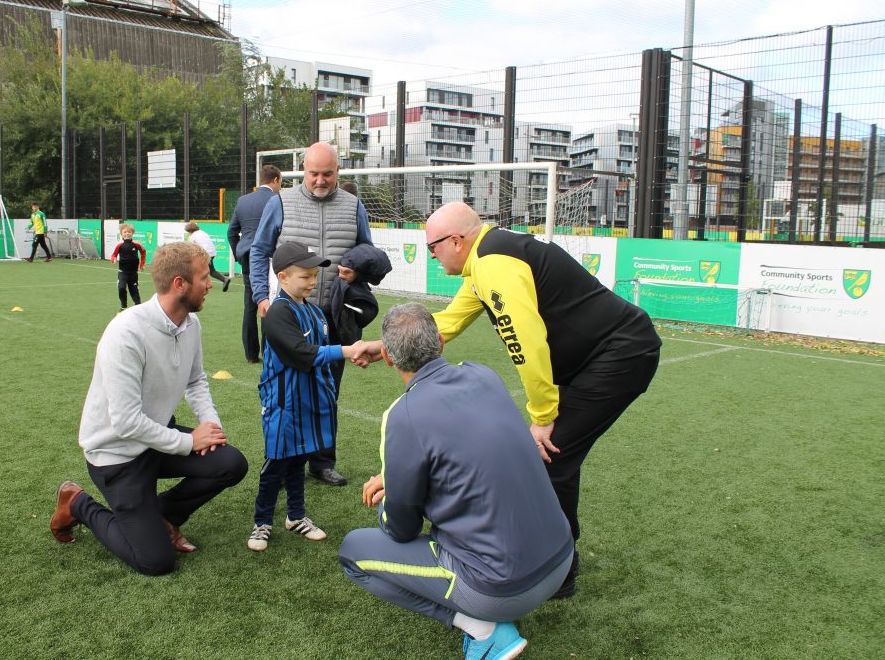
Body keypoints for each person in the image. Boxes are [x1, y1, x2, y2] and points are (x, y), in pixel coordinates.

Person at [355, 202, 662, 599]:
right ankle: (547, 554)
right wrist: (384, 346)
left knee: (553, 456)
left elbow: (527, 343)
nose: (431, 255)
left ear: (455, 241)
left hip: (620, 355)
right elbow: (448, 322)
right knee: (550, 459)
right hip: (597, 358)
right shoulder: (484, 260)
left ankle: (561, 571)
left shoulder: (494, 265)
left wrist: (542, 415)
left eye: (433, 247)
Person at [339, 303, 573, 660]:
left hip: (502, 589)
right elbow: (467, 450)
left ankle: (484, 629)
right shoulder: (484, 374)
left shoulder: (402, 416)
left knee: (353, 551)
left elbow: (400, 529)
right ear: (442, 343)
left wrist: (396, 491)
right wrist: (399, 477)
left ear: (386, 356)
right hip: (562, 559)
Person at [49, 242, 248, 576]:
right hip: (117, 456)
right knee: (155, 562)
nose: (210, 283)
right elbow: (125, 422)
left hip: (155, 441)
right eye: (203, 277)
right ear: (179, 284)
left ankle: (162, 517)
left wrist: (210, 426)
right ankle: (77, 503)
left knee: (231, 463)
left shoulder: (190, 324)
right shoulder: (126, 333)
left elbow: (196, 381)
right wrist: (188, 443)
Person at [249, 142, 375, 487]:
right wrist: (261, 295)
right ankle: (280, 457)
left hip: (334, 314)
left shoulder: (353, 205)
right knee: (282, 389)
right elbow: (259, 252)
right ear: (303, 171)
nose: (320, 180)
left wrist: (358, 271)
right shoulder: (280, 202)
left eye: (328, 173)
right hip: (289, 313)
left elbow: (367, 250)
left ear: (338, 171)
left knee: (326, 390)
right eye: (313, 173)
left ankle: (321, 461)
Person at [246, 242, 370, 552]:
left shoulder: (314, 311)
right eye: (305, 276)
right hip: (282, 404)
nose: (312, 282)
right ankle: (262, 522)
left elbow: (330, 343)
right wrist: (346, 350)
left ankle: (296, 516)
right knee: (276, 462)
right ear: (283, 276)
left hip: (308, 402)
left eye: (315, 276)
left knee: (299, 458)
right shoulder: (277, 312)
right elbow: (301, 354)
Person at [227, 164, 282, 363]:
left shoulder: (243, 201)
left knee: (250, 305)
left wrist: (239, 253)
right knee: (271, 302)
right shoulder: (277, 200)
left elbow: (231, 232)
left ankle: (251, 354)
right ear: (275, 180)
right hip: (272, 258)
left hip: (248, 259)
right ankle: (268, 351)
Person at [109, 223, 147, 310]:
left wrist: (142, 263)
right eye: (125, 232)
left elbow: (143, 251)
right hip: (123, 272)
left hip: (133, 273)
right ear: (121, 234)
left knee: (134, 290)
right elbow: (114, 255)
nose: (127, 233)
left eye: (129, 232)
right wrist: (113, 259)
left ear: (132, 233)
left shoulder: (136, 244)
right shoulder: (120, 245)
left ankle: (138, 306)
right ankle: (123, 306)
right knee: (121, 287)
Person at [185, 222, 231, 292]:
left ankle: (224, 280)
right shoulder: (202, 232)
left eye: (188, 231)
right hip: (212, 253)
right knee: (208, 270)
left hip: (206, 254)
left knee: (209, 271)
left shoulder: (192, 236)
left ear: (190, 231)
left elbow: (189, 248)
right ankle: (219, 281)